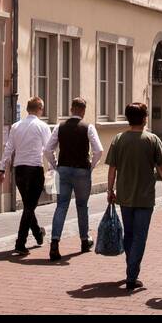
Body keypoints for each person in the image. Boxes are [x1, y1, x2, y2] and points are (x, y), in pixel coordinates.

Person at [105, 101, 162, 292]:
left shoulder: (119, 139)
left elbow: (112, 169)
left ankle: (130, 268)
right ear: (144, 118)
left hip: (125, 195)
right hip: (144, 196)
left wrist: (110, 190)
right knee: (140, 236)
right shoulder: (152, 139)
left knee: (130, 234)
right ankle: (132, 275)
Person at [45, 97, 103, 259]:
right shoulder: (88, 127)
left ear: (71, 109)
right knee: (82, 206)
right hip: (82, 171)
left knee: (61, 205)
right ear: (83, 111)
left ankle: (55, 243)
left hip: (63, 170)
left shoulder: (60, 126)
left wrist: (55, 164)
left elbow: (48, 149)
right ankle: (84, 240)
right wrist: (91, 165)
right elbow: (98, 150)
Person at [0, 96, 52, 254]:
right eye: (42, 109)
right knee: (30, 206)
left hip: (19, 170)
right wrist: (53, 168)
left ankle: (37, 234)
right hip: (35, 169)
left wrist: (2, 169)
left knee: (29, 205)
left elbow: (9, 148)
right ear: (39, 109)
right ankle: (20, 243)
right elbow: (48, 150)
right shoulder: (42, 126)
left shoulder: (16, 126)